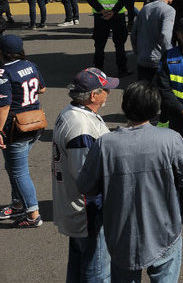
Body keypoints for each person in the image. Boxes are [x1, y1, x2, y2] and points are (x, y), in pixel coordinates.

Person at [77, 81, 183, 282]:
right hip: (164, 232)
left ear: (125, 108)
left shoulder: (105, 144)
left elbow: (85, 186)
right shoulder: (170, 139)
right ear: (155, 110)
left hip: (121, 235)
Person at [52, 68, 118, 283]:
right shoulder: (81, 126)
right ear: (93, 95)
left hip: (76, 204)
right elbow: (85, 176)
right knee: (97, 268)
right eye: (105, 89)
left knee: (80, 261)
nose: (108, 93)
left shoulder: (73, 113)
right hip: (87, 208)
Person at [0, 34, 46, 227]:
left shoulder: (3, 72)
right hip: (34, 123)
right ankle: (18, 204)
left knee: (19, 171)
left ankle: (33, 214)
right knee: (13, 167)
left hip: (15, 128)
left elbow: (3, 106)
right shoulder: (30, 65)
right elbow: (42, 89)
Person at [86, 0, 134, 77]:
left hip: (100, 15)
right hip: (117, 15)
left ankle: (98, 70)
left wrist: (102, 10)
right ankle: (122, 69)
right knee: (119, 45)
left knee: (100, 45)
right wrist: (113, 11)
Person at [130, 0, 177, 82]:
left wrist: (138, 52)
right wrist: (170, 56)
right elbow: (165, 36)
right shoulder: (169, 10)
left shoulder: (145, 8)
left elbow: (134, 33)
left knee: (143, 93)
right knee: (159, 93)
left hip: (143, 59)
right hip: (158, 61)